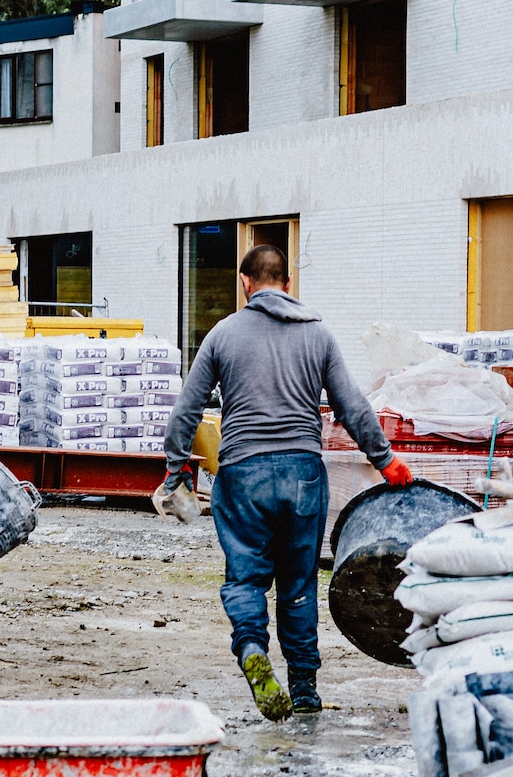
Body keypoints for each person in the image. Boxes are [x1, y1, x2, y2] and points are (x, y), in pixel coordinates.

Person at [161, 245, 409, 720]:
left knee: (247, 577)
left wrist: (178, 472)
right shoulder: (318, 335)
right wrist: (386, 461)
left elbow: (185, 412)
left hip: (242, 474)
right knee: (298, 585)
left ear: (245, 283)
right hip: (302, 474)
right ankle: (304, 689)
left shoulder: (222, 335)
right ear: (289, 286)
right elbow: (353, 406)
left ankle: (253, 649)